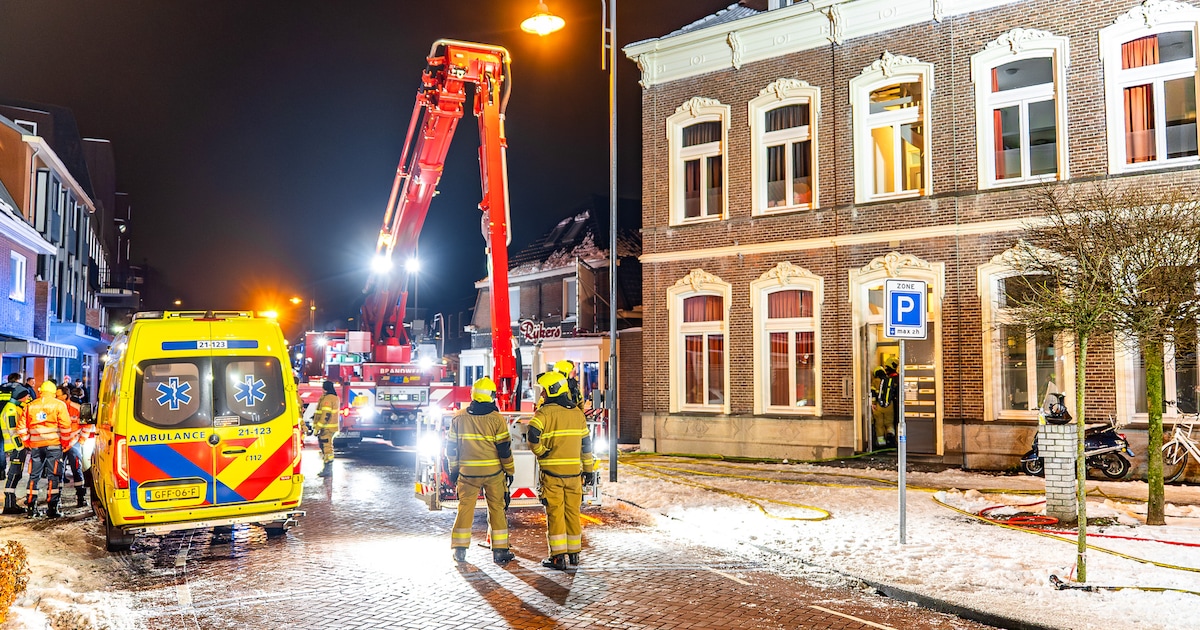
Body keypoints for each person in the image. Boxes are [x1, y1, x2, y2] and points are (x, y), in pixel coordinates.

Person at [529, 371, 595, 570]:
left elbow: (532, 435)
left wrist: (541, 452)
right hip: (574, 475)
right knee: (573, 513)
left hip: (552, 476)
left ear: (551, 390)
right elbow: (586, 445)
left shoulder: (544, 414)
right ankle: (574, 555)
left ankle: (558, 558)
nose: (542, 394)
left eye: (543, 391)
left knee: (555, 514)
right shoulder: (577, 414)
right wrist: (589, 470)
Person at [447, 377, 515, 564]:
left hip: (467, 473)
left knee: (465, 508)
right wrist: (509, 470)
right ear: (492, 395)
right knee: (497, 509)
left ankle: (459, 550)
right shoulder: (497, 419)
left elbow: (451, 448)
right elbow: (504, 449)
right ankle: (500, 551)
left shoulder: (459, 417)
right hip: (493, 474)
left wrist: (454, 469)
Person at [19, 381, 71, 517]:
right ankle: (52, 509)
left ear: (40, 391)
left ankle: (31, 508)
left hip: (36, 446)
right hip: (54, 445)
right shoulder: (59, 405)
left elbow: (21, 427)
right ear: (54, 392)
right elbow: (65, 426)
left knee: (34, 476)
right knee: (53, 476)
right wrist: (65, 443)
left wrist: (27, 442)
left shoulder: (31, 405)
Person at [0, 389, 31, 514]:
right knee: (14, 475)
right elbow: (13, 431)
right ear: (21, 397)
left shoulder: (14, 408)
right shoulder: (11, 410)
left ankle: (11, 503)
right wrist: (20, 447)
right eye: (27, 396)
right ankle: (9, 505)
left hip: (15, 447)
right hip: (15, 447)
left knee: (16, 474)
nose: (28, 398)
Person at [57, 385, 86, 507]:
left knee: (77, 470)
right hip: (59, 444)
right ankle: (56, 500)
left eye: (57, 395)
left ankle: (81, 498)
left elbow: (87, 425)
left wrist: (81, 440)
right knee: (58, 472)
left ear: (65, 396)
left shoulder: (77, 408)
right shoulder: (55, 408)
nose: (55, 397)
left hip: (73, 444)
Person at [312, 381, 340, 478]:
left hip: (326, 428)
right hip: (330, 428)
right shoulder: (334, 397)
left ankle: (327, 470)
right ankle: (327, 469)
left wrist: (318, 427)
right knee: (327, 448)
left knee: (327, 449)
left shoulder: (327, 399)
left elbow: (325, 415)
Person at [870, 367, 891, 448]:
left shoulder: (875, 381)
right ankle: (891, 437)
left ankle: (881, 442)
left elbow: (873, 393)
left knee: (879, 424)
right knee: (889, 423)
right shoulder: (889, 380)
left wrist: (873, 403)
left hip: (878, 405)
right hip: (890, 405)